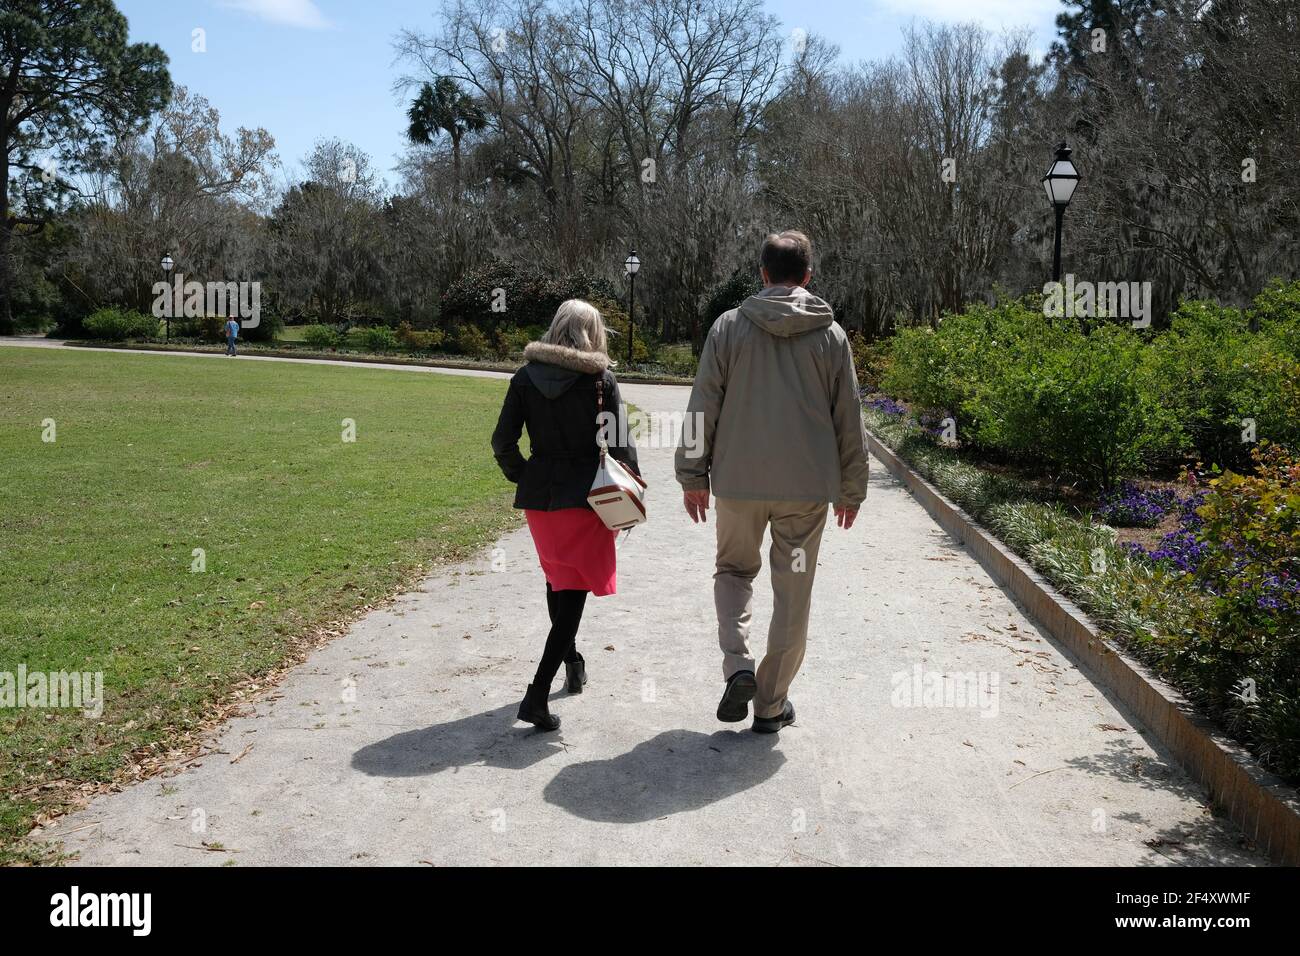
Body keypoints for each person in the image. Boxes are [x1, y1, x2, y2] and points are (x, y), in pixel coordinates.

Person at [675, 230, 869, 733]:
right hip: (804, 493)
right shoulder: (831, 336)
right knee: (793, 593)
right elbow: (849, 416)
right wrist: (853, 487)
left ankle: (737, 665)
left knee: (734, 572)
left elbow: (702, 406)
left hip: (738, 484)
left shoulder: (729, 328)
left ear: (762, 274)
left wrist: (692, 473)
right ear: (807, 277)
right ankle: (770, 702)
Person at [491, 300, 640, 731]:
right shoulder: (600, 380)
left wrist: (525, 475)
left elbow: (503, 441)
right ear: (593, 334)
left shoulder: (524, 377)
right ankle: (536, 696)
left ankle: (572, 661)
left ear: (555, 327)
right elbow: (622, 446)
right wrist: (629, 496)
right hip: (587, 498)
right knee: (572, 596)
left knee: (558, 581)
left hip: (541, 500)